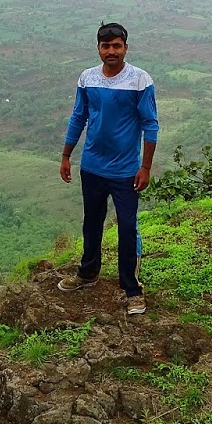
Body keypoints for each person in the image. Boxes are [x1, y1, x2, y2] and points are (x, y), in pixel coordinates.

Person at [58, 22, 159, 314]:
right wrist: (66, 155)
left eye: (117, 46)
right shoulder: (87, 78)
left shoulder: (140, 80)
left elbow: (150, 125)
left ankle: (132, 289)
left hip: (126, 170)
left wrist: (146, 167)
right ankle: (88, 273)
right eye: (106, 46)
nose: (111, 51)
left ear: (125, 47)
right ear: (98, 48)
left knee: (127, 227)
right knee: (92, 222)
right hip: (92, 166)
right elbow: (78, 117)